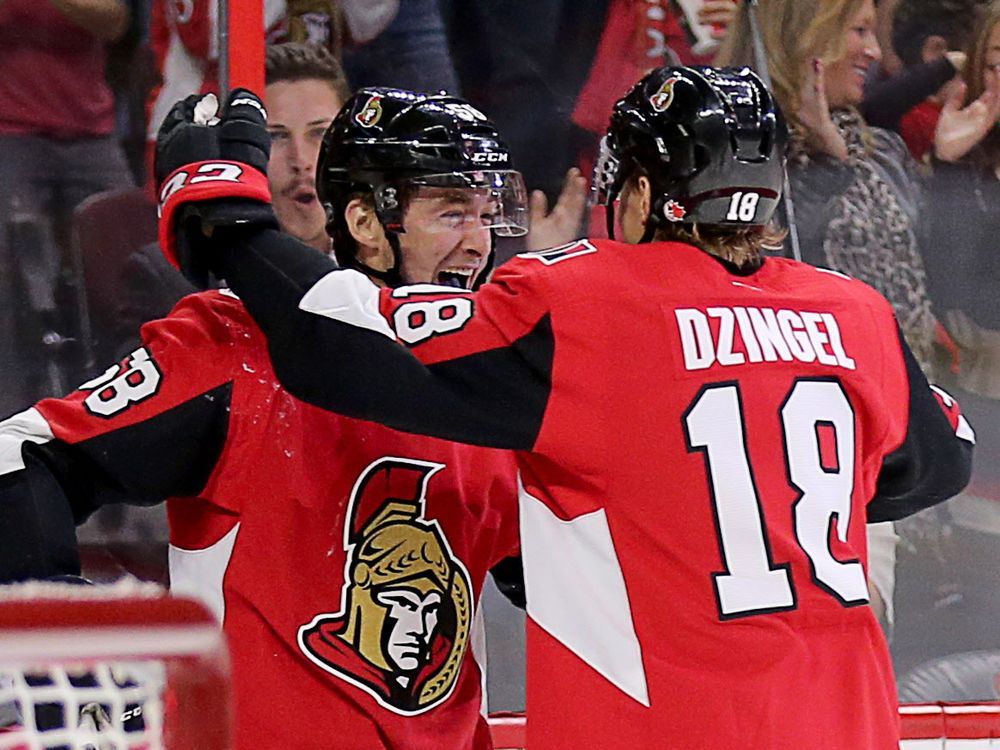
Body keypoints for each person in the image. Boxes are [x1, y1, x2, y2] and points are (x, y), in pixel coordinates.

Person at [155, 65, 974, 749]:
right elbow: (937, 464)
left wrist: (230, 223)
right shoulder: (852, 314)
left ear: (648, 193)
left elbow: (349, 344)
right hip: (850, 726)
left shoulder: (590, 301)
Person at [0, 89, 533, 750]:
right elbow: (19, 460)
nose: (477, 244)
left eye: (486, 215)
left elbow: (569, 580)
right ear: (366, 222)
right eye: (452, 213)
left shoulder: (492, 379)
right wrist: (77, 675)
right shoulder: (235, 345)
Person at [0, 0, 135, 415]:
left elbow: (115, 22)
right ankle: (10, 407)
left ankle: (135, 390)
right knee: (8, 278)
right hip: (9, 129)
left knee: (132, 255)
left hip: (89, 130)